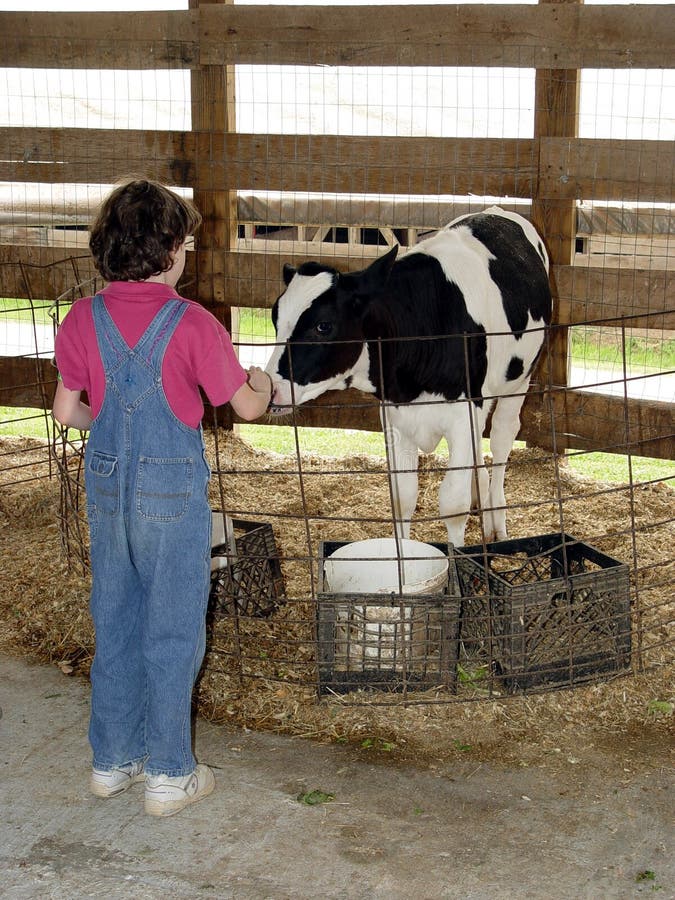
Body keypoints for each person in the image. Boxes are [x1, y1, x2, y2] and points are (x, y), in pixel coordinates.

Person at [52, 177, 273, 817]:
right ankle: (170, 773)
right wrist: (263, 381)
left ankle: (112, 761)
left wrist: (113, 433)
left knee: (115, 618)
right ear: (171, 250)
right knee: (173, 631)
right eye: (188, 246)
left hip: (106, 488)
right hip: (170, 496)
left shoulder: (82, 318)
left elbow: (70, 411)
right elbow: (245, 407)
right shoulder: (194, 323)